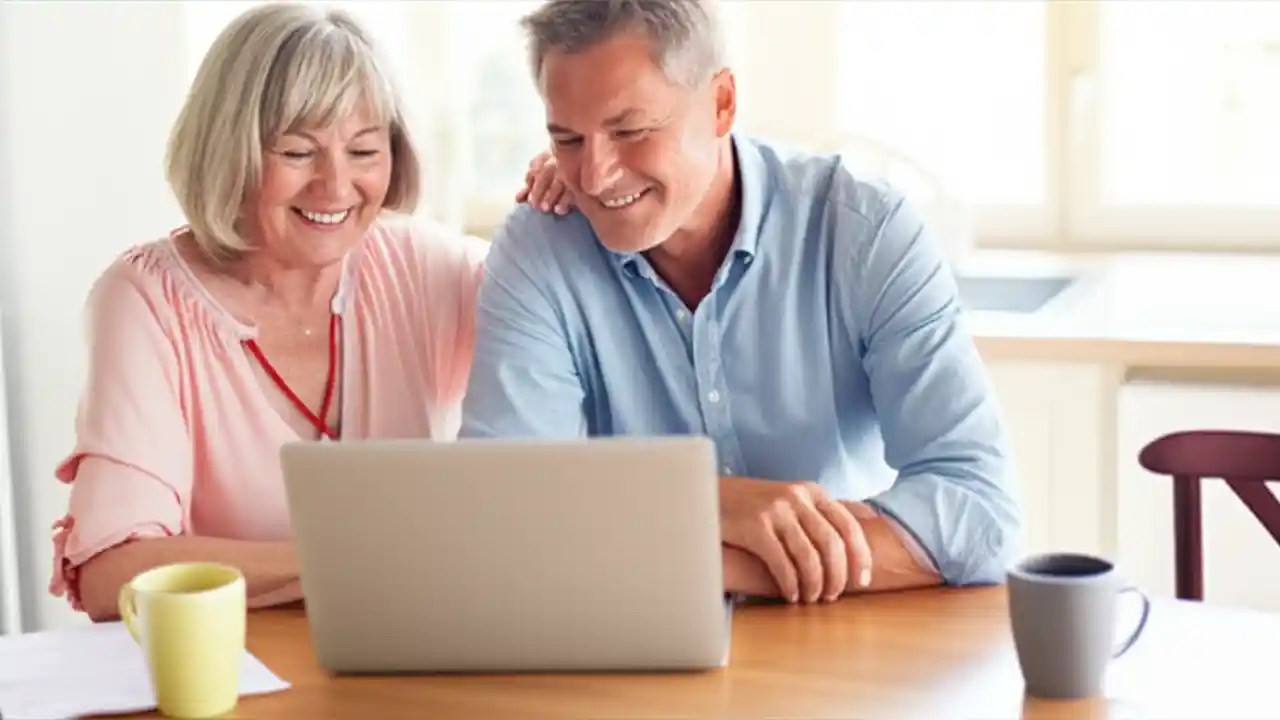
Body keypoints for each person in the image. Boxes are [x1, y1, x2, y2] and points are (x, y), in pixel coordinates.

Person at [463, 0, 1022, 604]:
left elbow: (979, 511)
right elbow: (504, 506)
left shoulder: (863, 231)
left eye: (629, 131)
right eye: (567, 138)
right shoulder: (539, 247)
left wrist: (711, 562)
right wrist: (707, 504)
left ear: (721, 103)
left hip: (841, 651)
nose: (594, 176)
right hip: (632, 663)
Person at [48, 3, 560, 621]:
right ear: (228, 153)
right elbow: (114, 571)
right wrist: (365, 561)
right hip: (238, 676)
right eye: (296, 153)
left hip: (412, 658)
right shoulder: (146, 301)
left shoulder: (419, 265)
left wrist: (574, 190)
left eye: (364, 151)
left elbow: (568, 305)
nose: (336, 186)